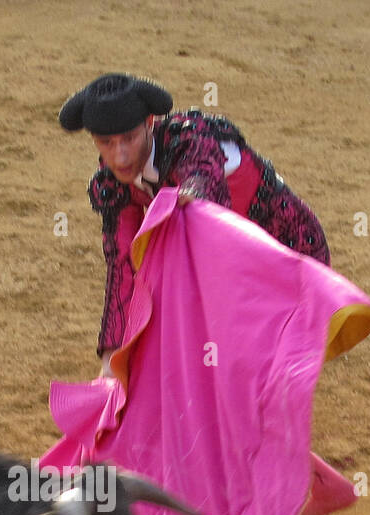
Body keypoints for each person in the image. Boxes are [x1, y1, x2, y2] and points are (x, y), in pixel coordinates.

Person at [59, 73, 331, 374]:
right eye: (106, 143)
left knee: (244, 370)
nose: (119, 155)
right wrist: (110, 358)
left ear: (149, 122)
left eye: (129, 138)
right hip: (232, 272)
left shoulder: (190, 141)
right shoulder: (114, 178)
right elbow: (122, 261)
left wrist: (188, 195)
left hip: (290, 257)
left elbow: (204, 189)